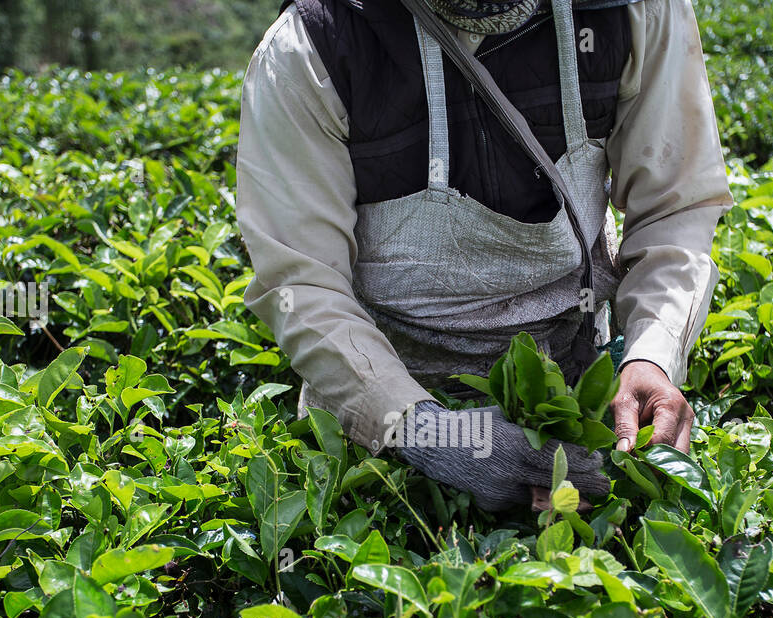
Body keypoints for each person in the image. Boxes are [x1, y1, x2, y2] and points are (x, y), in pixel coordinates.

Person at [236, 0, 733, 512]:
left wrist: (651, 353)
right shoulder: (312, 46)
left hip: (572, 397)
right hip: (380, 428)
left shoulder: (633, 10)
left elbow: (677, 206)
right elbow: (303, 282)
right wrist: (423, 430)